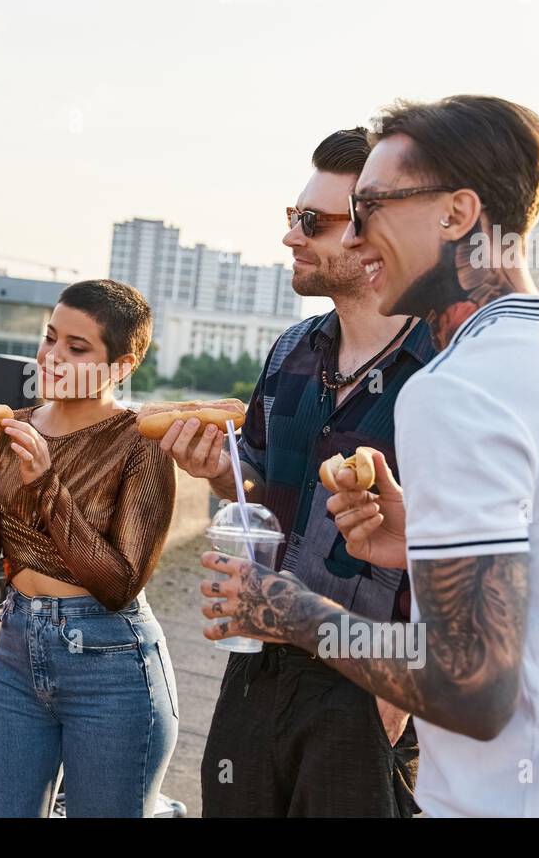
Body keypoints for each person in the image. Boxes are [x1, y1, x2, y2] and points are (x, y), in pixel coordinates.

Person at [200, 95, 539, 816]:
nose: (353, 238)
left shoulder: (460, 388)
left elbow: (470, 683)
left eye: (369, 208)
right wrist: (419, 541)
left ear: (455, 215)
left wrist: (286, 610)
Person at [162, 128, 431, 817]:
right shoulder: (291, 351)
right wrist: (221, 471)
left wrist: (396, 699)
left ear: (375, 233)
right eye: (293, 218)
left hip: (368, 684)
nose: (291, 237)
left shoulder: (444, 372)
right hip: (257, 661)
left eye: (312, 222)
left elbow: (465, 548)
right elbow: (255, 482)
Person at [0, 279, 178, 817]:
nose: (52, 356)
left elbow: (118, 585)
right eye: (50, 337)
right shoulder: (14, 428)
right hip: (14, 651)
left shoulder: (141, 440)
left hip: (112, 665)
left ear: (122, 364)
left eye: (77, 348)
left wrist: (46, 486)